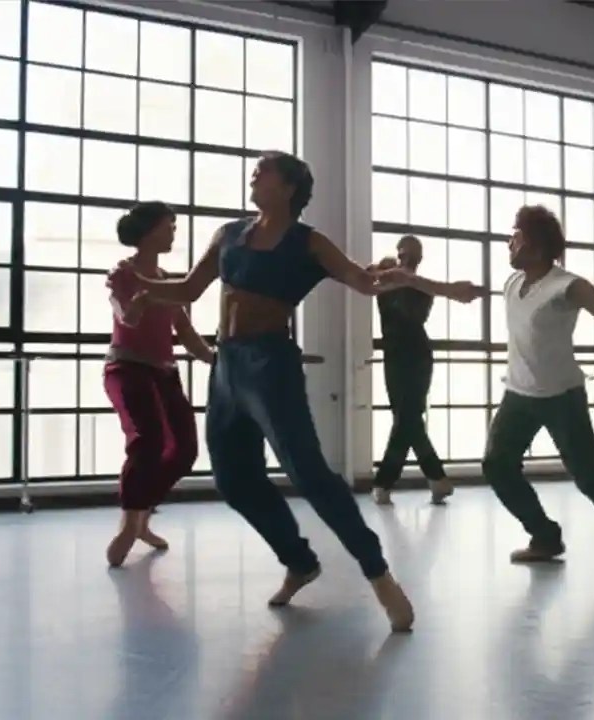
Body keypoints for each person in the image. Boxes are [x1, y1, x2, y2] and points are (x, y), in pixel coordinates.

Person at [123, 151, 481, 632]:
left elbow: (366, 280)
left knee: (310, 473)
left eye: (264, 169)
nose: (254, 172)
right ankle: (299, 560)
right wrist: (145, 290)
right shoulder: (228, 234)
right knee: (233, 479)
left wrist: (437, 286)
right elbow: (188, 290)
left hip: (271, 365)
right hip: (226, 367)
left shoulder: (308, 243)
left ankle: (378, 573)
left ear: (289, 187)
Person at [480, 204, 594, 563]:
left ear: (534, 245)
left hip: (562, 397)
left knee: (587, 474)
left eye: (516, 236)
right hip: (518, 393)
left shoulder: (567, 287)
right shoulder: (513, 283)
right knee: (497, 465)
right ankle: (545, 537)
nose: (509, 242)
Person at [103, 202, 213, 567]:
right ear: (149, 231)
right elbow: (126, 316)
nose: (173, 232)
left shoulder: (167, 282)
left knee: (184, 450)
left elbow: (185, 332)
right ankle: (129, 523)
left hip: (164, 371)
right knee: (147, 442)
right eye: (169, 226)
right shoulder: (123, 273)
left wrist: (221, 360)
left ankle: (143, 515)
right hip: (128, 369)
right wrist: (134, 305)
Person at [369, 235, 454, 506]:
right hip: (394, 356)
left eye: (413, 255)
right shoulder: (383, 279)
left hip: (416, 356)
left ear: (419, 259)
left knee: (407, 418)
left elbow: (412, 317)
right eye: (404, 253)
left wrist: (397, 278)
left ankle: (384, 482)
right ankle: (437, 479)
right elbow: (362, 275)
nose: (407, 259)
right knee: (408, 420)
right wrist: (386, 272)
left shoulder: (421, 288)